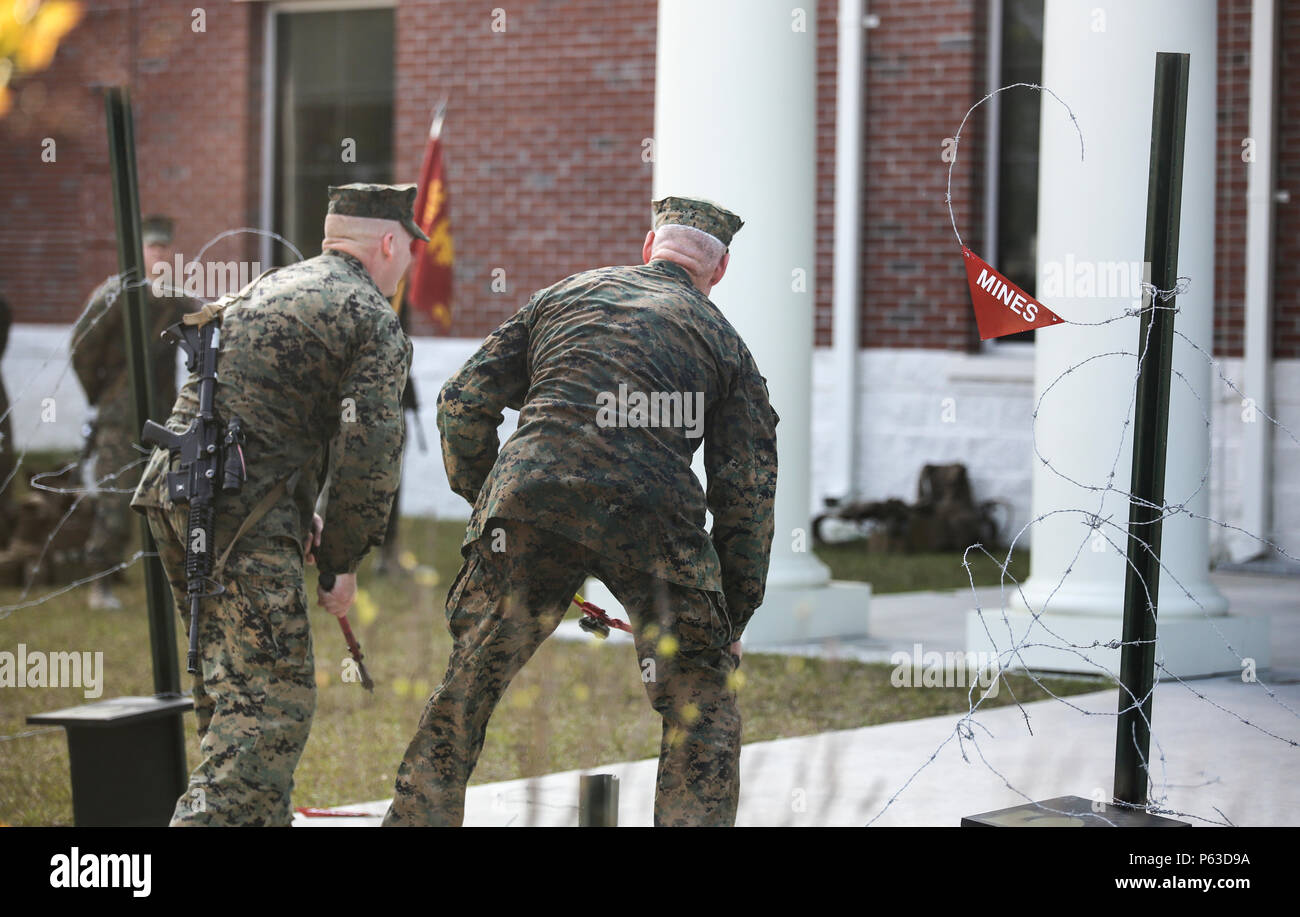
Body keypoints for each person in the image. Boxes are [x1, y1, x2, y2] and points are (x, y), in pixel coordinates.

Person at [384, 195, 779, 827]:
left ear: (649, 247)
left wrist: (491, 499)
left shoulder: (561, 298)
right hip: (657, 523)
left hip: (532, 500)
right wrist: (735, 613)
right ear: (720, 271)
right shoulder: (726, 345)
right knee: (699, 707)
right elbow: (748, 494)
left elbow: (461, 401)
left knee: (469, 686)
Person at [131, 183, 422, 826]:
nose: (408, 265)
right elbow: (368, 458)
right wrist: (342, 563)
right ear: (388, 242)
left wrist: (298, 506)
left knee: (230, 691)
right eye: (410, 250)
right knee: (270, 707)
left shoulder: (269, 287)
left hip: (176, 493)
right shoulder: (370, 317)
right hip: (237, 516)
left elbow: (252, 409)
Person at [72, 216, 199, 610]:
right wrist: (103, 394)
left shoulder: (176, 299)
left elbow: (203, 336)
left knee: (171, 496)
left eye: (164, 248)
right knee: (116, 493)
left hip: (163, 414)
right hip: (121, 413)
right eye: (152, 248)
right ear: (137, 251)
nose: (159, 254)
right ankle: (101, 580)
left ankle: (169, 574)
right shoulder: (114, 294)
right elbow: (83, 348)